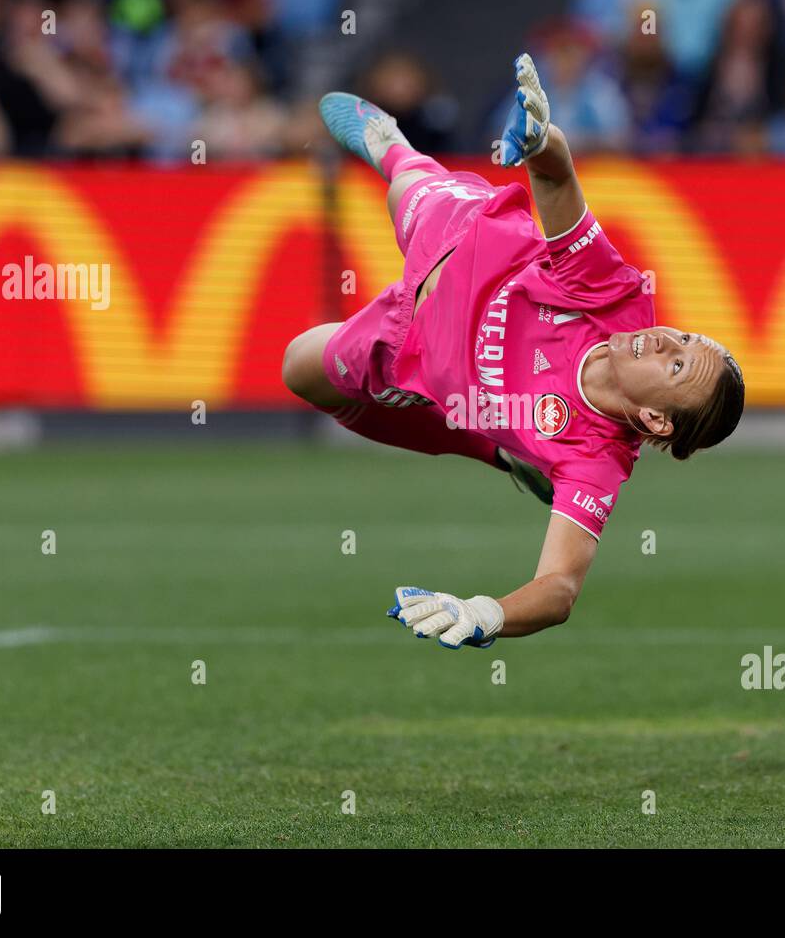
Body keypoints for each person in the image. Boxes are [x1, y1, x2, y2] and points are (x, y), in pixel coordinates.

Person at [283, 54, 744, 649]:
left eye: (676, 365)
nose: (665, 340)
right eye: (684, 339)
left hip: (412, 347)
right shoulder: (618, 298)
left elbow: (559, 588)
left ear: (656, 418)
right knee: (402, 181)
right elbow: (555, 179)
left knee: (299, 366)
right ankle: (393, 142)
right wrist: (541, 140)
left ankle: (492, 447)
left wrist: (485, 614)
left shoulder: (594, 461)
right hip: (462, 235)